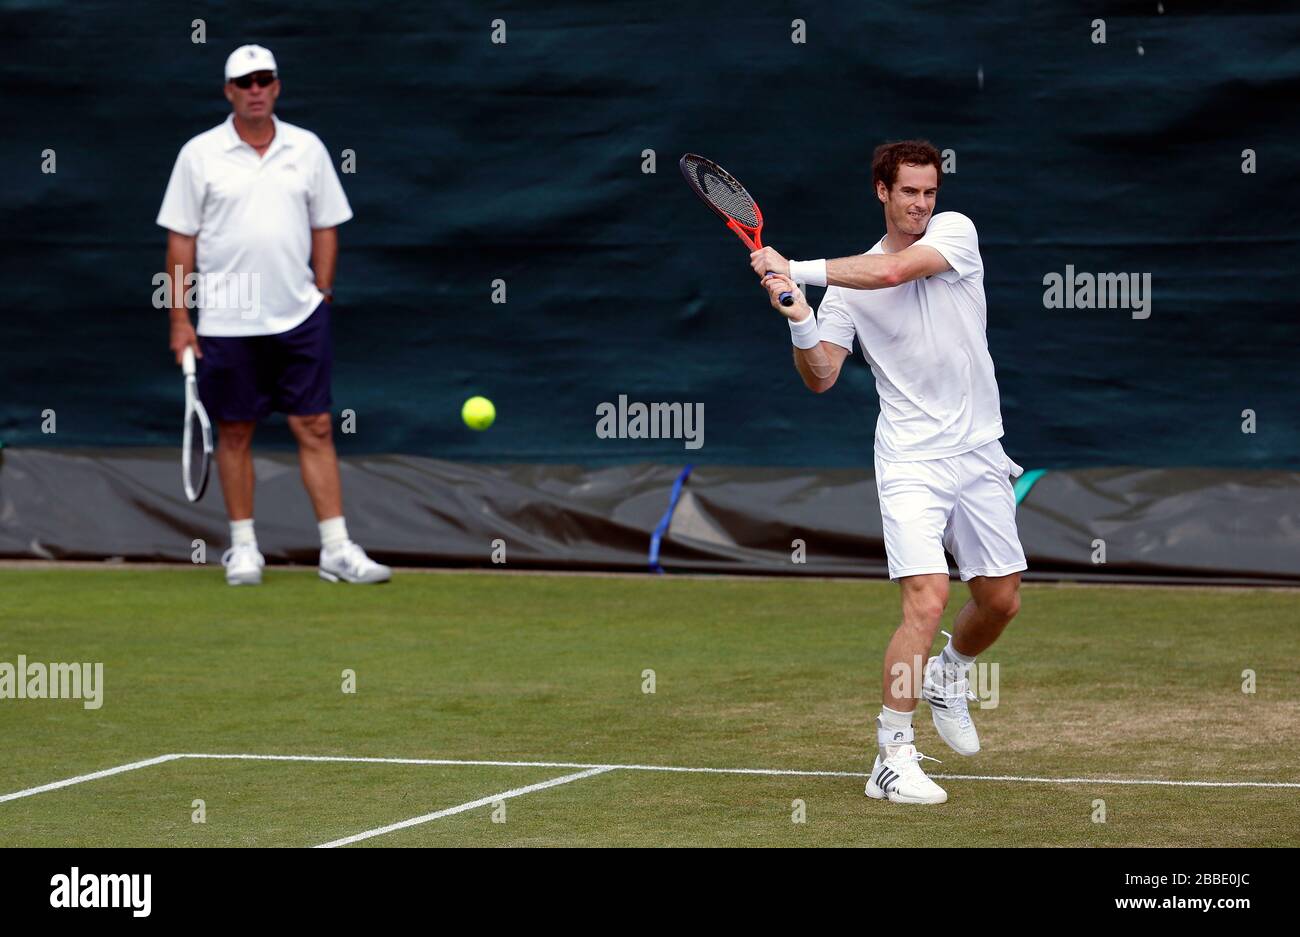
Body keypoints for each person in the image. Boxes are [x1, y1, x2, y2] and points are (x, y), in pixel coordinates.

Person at [751, 140, 1025, 804]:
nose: (921, 204)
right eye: (909, 192)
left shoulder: (955, 234)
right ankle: (892, 755)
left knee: (1000, 599)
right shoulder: (847, 282)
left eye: (929, 192)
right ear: (882, 190)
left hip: (980, 451)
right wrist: (799, 317)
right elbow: (822, 376)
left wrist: (798, 267)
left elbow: (895, 274)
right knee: (927, 597)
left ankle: (949, 673)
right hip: (908, 459)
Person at [157, 44, 390, 586]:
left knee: (315, 426)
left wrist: (322, 291)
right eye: (245, 82)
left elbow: (326, 223)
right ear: (229, 92)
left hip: (298, 313)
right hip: (227, 317)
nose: (256, 89)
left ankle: (335, 548)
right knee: (235, 432)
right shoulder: (199, 154)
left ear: (277, 87)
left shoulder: (307, 149)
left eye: (265, 80)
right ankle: (243, 548)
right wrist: (179, 319)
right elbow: (180, 242)